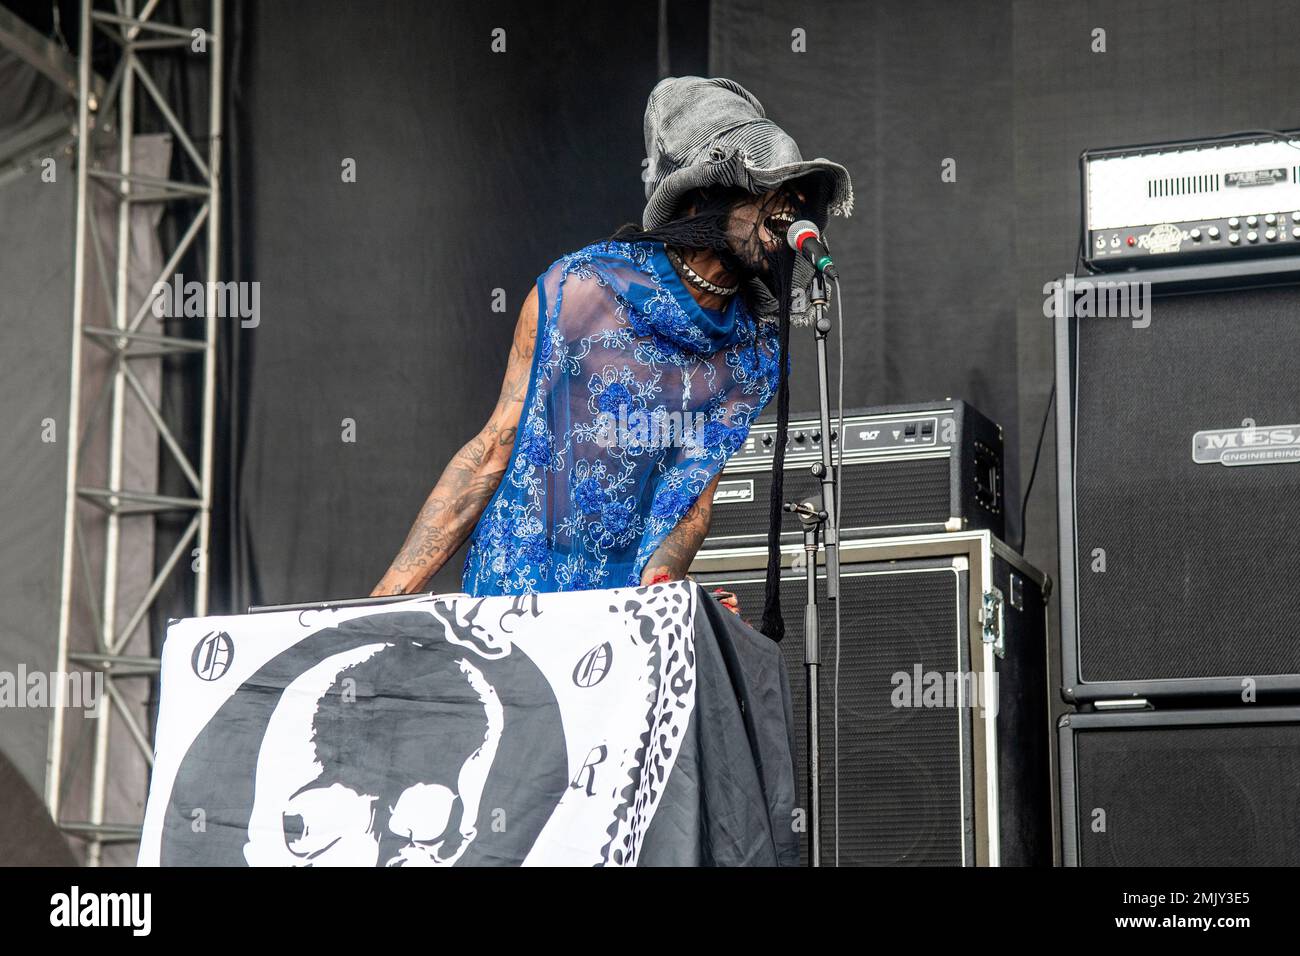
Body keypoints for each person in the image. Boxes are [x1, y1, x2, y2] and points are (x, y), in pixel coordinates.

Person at [372, 76, 852, 639]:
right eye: (766, 190)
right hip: (517, 605)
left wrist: (663, 588)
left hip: (619, 628)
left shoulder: (753, 350)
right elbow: (493, 447)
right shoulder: (580, 290)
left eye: (797, 199)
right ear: (702, 197)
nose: (789, 210)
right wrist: (381, 608)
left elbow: (691, 502)